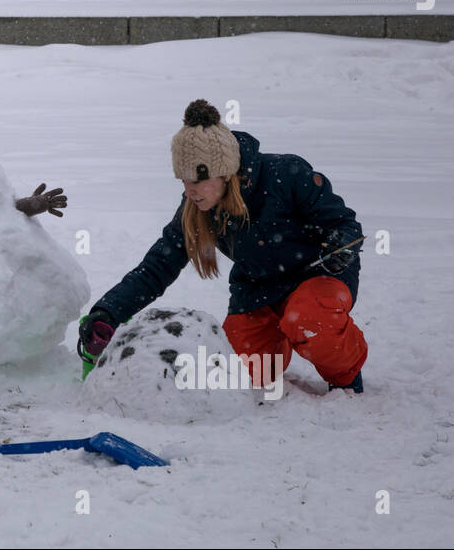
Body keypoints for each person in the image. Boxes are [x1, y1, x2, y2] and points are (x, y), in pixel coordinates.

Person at [78, 99, 368, 394]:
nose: (189, 191)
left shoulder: (287, 175)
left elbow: (346, 226)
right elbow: (157, 266)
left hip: (317, 278)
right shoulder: (197, 206)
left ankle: (346, 377)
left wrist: (341, 246)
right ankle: (276, 343)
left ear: (226, 172)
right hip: (259, 292)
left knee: (309, 321)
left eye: (197, 181)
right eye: (183, 181)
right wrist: (108, 312)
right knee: (234, 376)